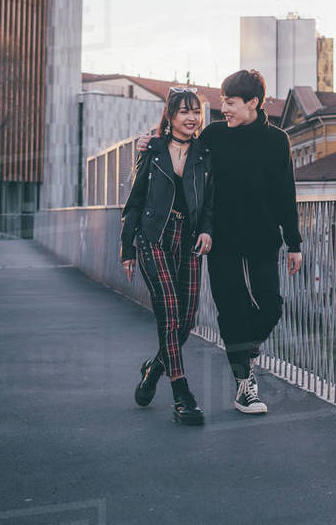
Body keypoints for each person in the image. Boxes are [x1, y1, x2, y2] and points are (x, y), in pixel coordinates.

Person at [137, 69, 303, 415]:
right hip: (218, 238)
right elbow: (176, 151)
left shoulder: (277, 141)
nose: (222, 108)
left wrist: (294, 242)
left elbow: (286, 193)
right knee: (232, 310)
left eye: (230, 102)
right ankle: (245, 387)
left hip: (262, 237)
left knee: (271, 306)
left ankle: (237, 352)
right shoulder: (212, 136)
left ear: (253, 103)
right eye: (223, 102)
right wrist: (148, 144)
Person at [121, 88, 214, 426]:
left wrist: (207, 230)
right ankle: (181, 392)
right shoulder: (153, 151)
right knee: (169, 311)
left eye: (196, 112)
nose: (191, 118)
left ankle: (154, 368)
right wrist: (127, 248)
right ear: (171, 116)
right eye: (184, 111)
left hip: (189, 241)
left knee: (186, 321)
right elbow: (134, 202)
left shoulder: (204, 154)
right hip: (154, 238)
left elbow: (210, 201)